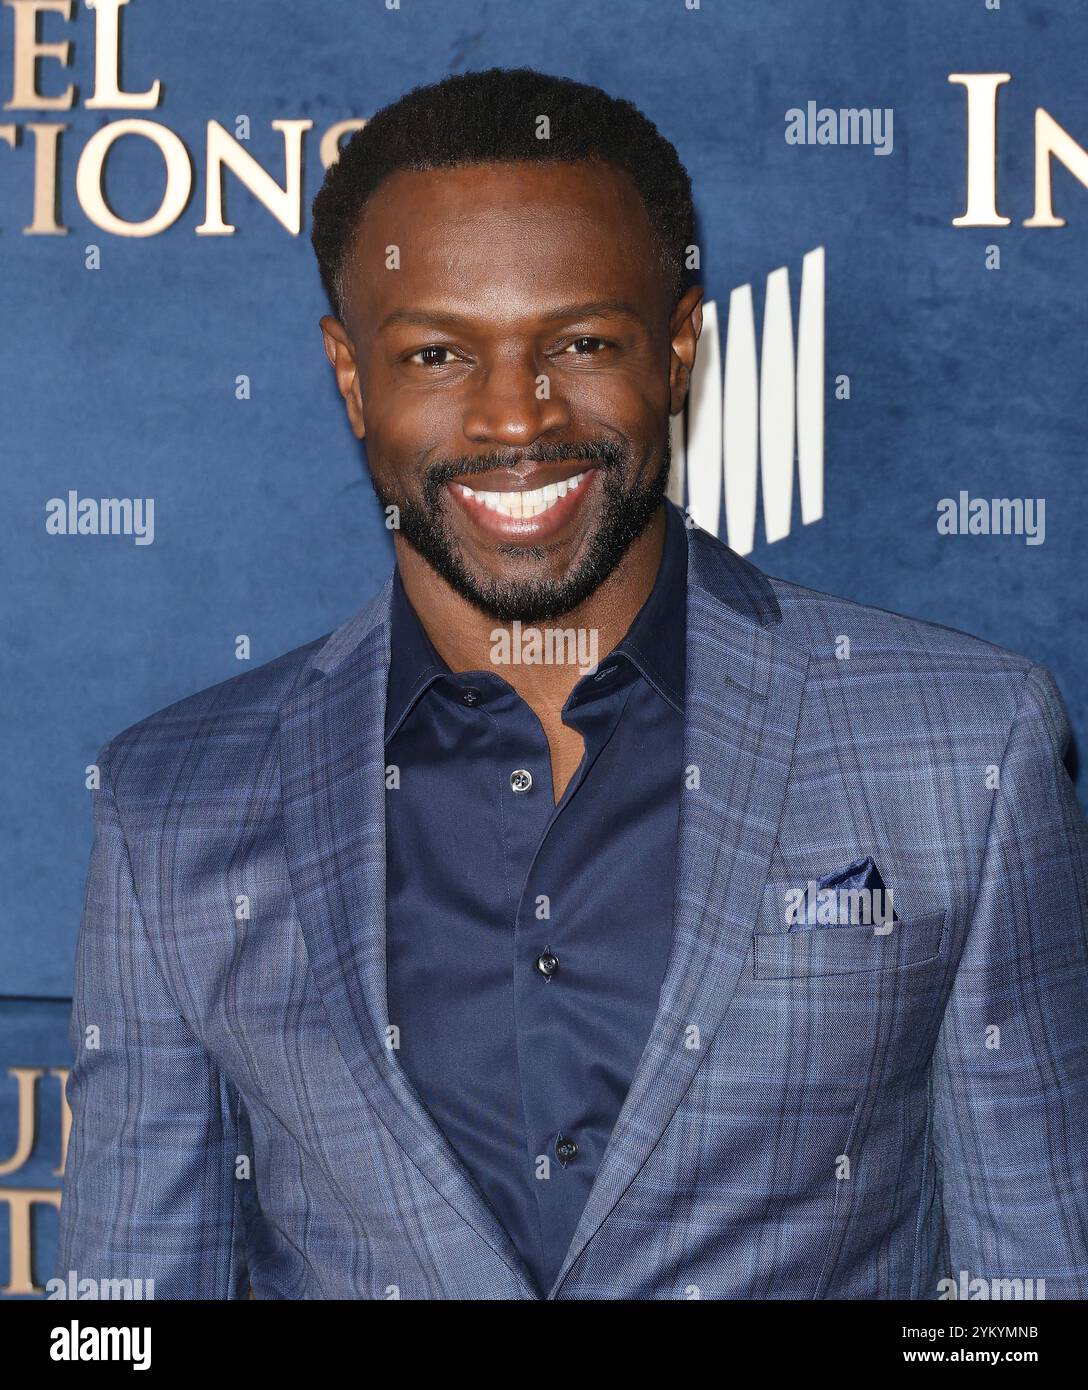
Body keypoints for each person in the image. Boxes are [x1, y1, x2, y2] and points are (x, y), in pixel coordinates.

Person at [56, 67, 1088, 1300]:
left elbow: (1025, 1301)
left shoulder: (963, 746)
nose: (514, 415)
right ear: (350, 375)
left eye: (581, 342)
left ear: (678, 349)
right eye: (438, 351)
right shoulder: (172, 802)